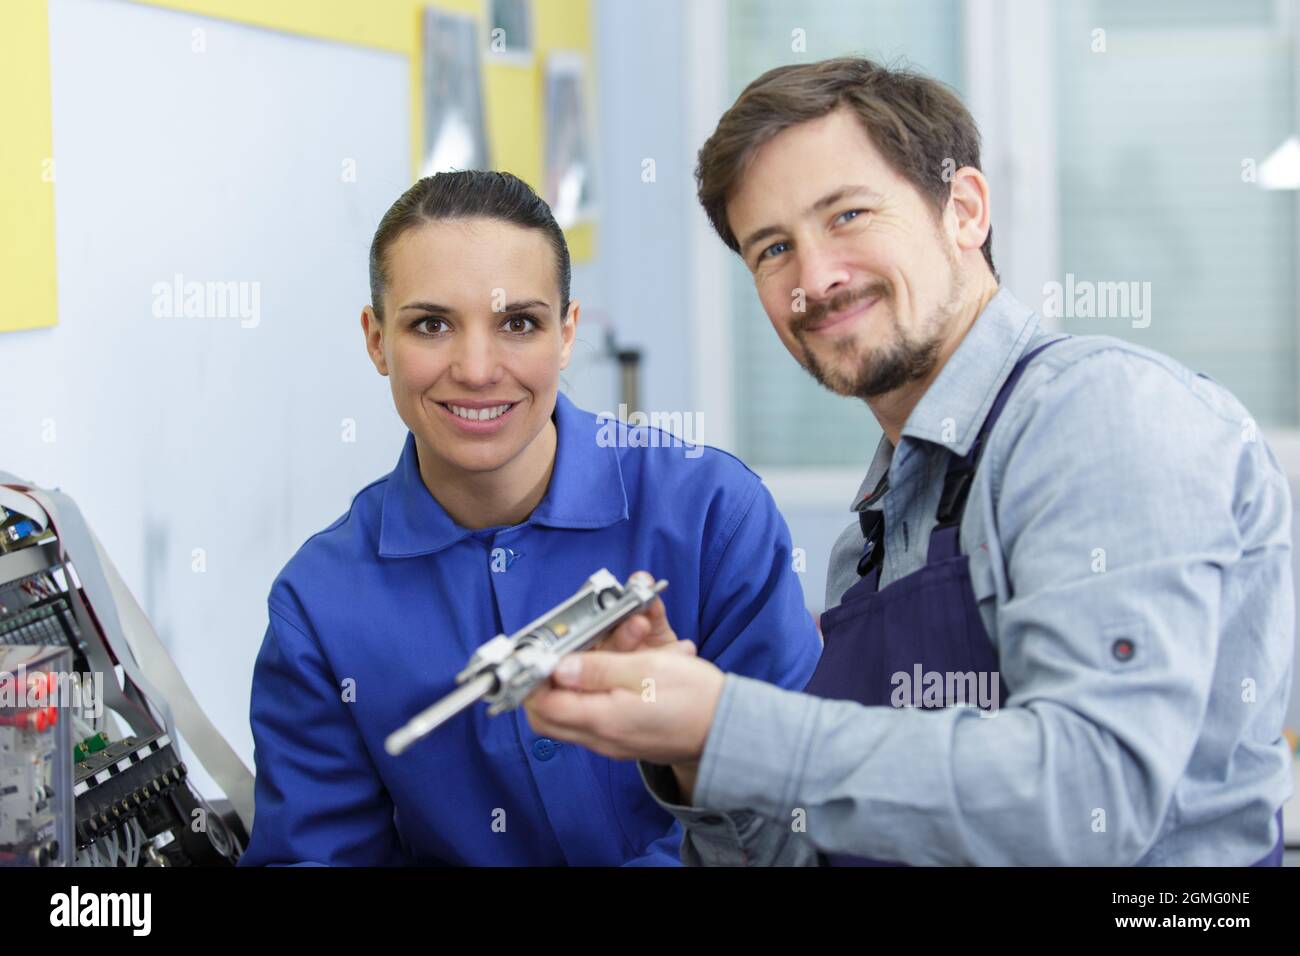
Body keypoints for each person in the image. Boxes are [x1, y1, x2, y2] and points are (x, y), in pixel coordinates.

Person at [524, 57, 1295, 866]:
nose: (815, 279)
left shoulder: (1100, 416)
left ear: (964, 210)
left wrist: (728, 725)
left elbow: (1092, 801)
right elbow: (828, 844)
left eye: (849, 214)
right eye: (773, 248)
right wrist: (690, 752)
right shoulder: (871, 538)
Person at [240, 170, 822, 866]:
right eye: (431, 325)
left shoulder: (713, 517)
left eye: (518, 323)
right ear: (376, 340)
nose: (477, 369)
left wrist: (693, 748)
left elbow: (800, 815)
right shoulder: (319, 604)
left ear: (567, 334)